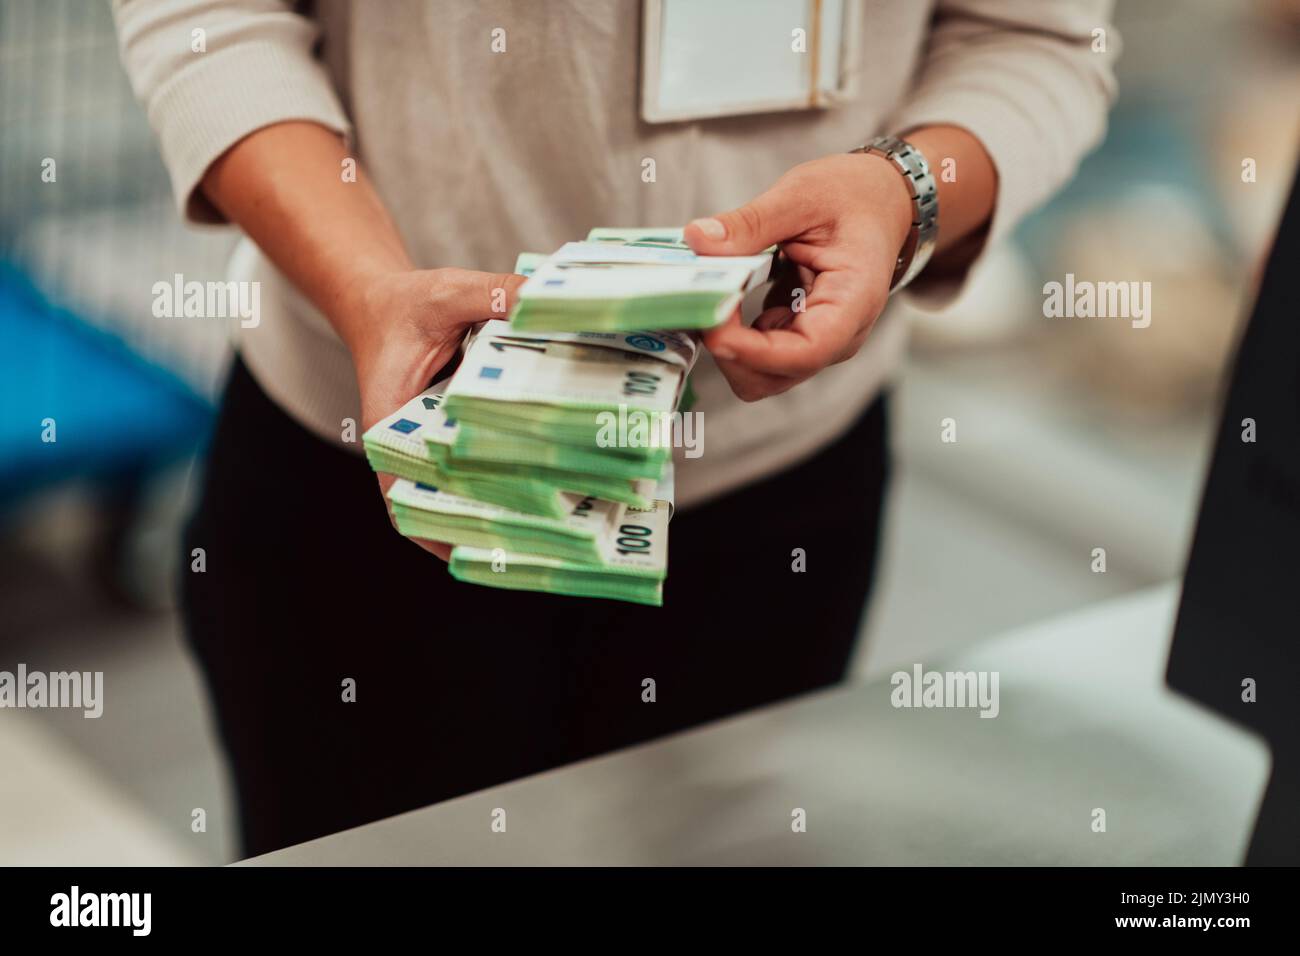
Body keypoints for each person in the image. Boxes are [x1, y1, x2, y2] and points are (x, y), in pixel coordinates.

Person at [113, 0, 1118, 857]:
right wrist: (367, 287)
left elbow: (1035, 33)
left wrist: (906, 190)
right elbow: (213, 18)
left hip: (774, 498)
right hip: (383, 462)